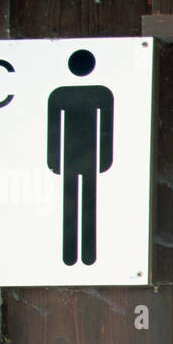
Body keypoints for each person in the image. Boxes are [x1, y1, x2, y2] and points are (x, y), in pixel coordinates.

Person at [47, 49, 113, 266]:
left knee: (77, 203)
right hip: (80, 158)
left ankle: (81, 255)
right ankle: (79, 255)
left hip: (78, 157)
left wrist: (54, 161)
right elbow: (53, 130)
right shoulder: (97, 93)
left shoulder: (63, 94)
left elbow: (106, 129)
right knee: (82, 203)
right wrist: (104, 160)